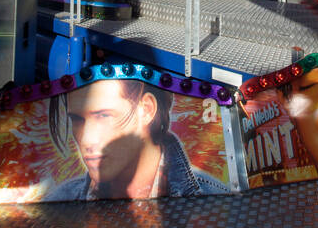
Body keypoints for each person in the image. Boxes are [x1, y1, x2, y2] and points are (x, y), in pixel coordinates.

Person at [44, 78, 229, 200]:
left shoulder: (214, 198)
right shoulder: (58, 201)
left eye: (103, 116)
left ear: (146, 110)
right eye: (77, 120)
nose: (86, 140)